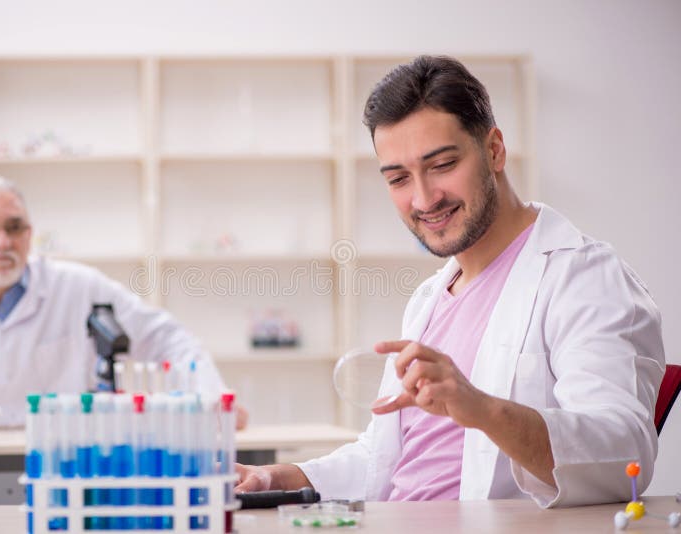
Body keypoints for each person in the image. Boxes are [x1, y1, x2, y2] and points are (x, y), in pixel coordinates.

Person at [235, 55, 664, 508]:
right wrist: (285, 475)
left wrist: (480, 408)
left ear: (494, 150)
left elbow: (624, 459)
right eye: (399, 178)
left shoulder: (583, 277)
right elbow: (392, 458)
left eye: (441, 164)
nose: (423, 198)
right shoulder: (429, 299)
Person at [0, 175, 247, 430]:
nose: (2, 242)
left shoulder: (79, 287)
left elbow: (167, 338)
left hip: (64, 460)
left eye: (14, 228)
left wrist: (213, 400)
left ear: (30, 234)